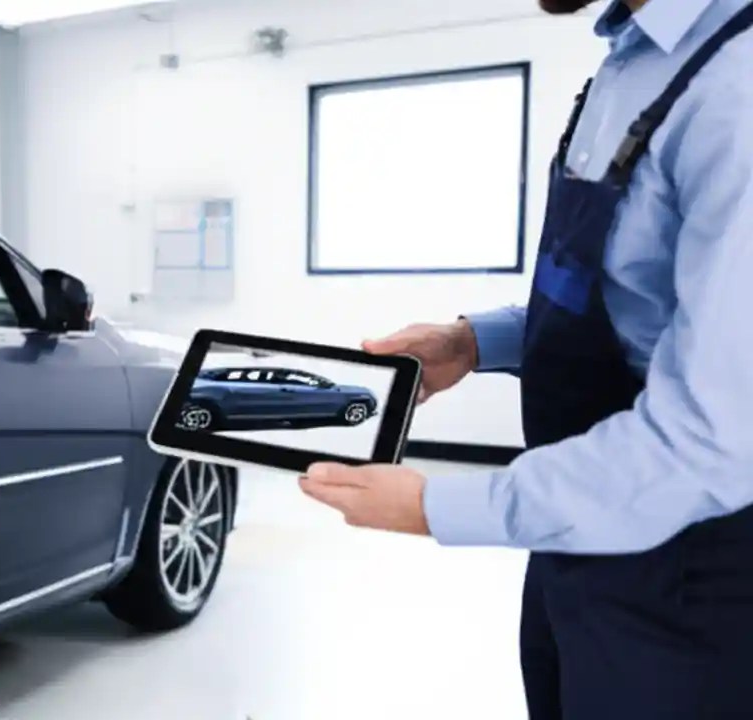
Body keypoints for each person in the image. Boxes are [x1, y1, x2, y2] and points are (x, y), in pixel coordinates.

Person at [298, 0, 753, 717]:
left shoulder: (738, 88)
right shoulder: (632, 60)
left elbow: (712, 439)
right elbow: (629, 294)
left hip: (685, 569)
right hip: (576, 529)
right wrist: (475, 341)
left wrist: (436, 505)